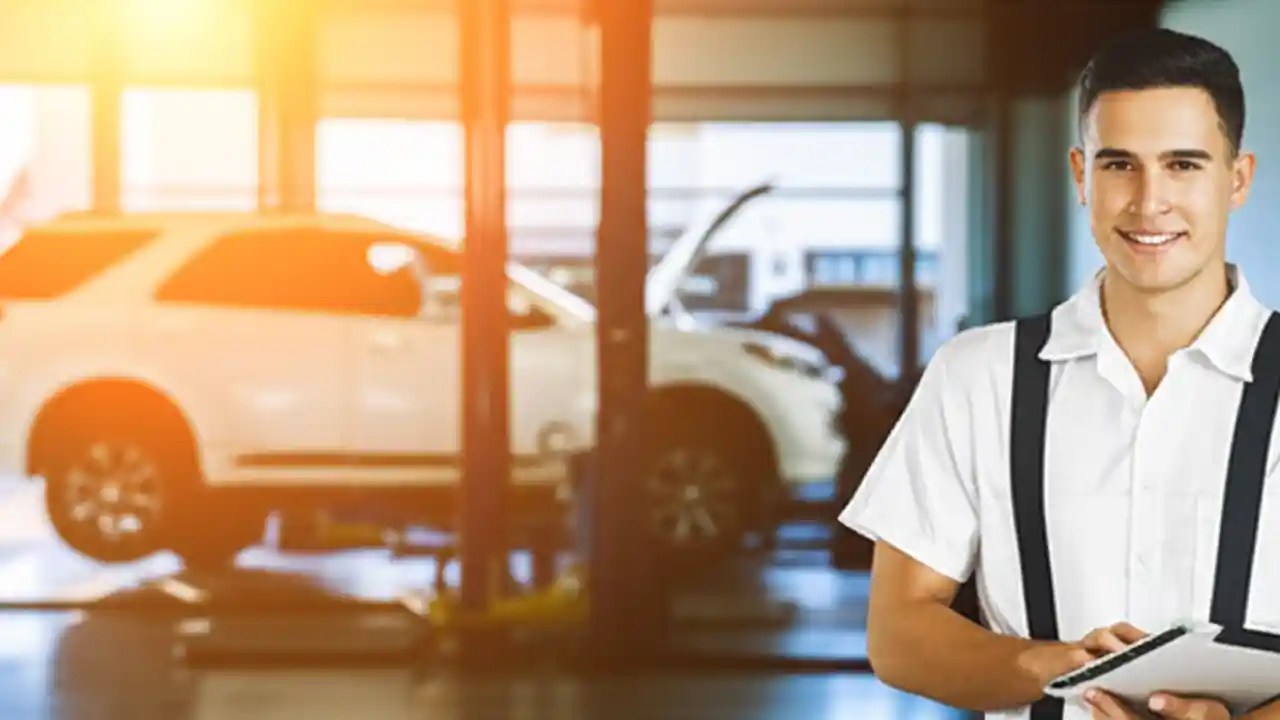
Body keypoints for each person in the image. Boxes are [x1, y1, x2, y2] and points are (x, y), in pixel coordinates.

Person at [838, 28, 1280, 720]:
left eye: (1184, 165)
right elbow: (898, 634)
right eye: (1119, 165)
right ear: (1081, 175)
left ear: (1238, 178)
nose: (1149, 200)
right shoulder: (978, 376)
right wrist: (1051, 666)